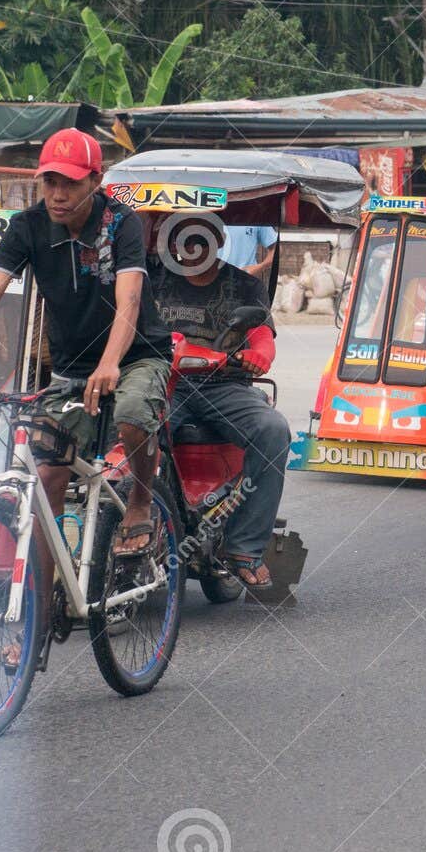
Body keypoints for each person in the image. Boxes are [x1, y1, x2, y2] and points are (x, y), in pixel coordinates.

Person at [0, 129, 172, 623]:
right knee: (47, 478)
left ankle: (141, 500)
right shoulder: (28, 227)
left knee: (129, 414)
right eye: (49, 182)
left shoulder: (120, 224)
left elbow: (128, 302)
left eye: (70, 183)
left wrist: (110, 363)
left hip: (136, 355)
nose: (57, 194)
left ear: (96, 181)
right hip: (70, 368)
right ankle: (40, 608)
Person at [149, 218, 290, 590]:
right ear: (173, 241)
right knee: (134, 426)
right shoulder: (152, 277)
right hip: (163, 382)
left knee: (273, 431)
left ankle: (245, 547)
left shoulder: (243, 285)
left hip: (222, 385)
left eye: (202, 236)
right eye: (185, 235)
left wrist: (260, 353)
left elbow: (261, 334)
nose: (193, 244)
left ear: (218, 240)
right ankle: (134, 524)